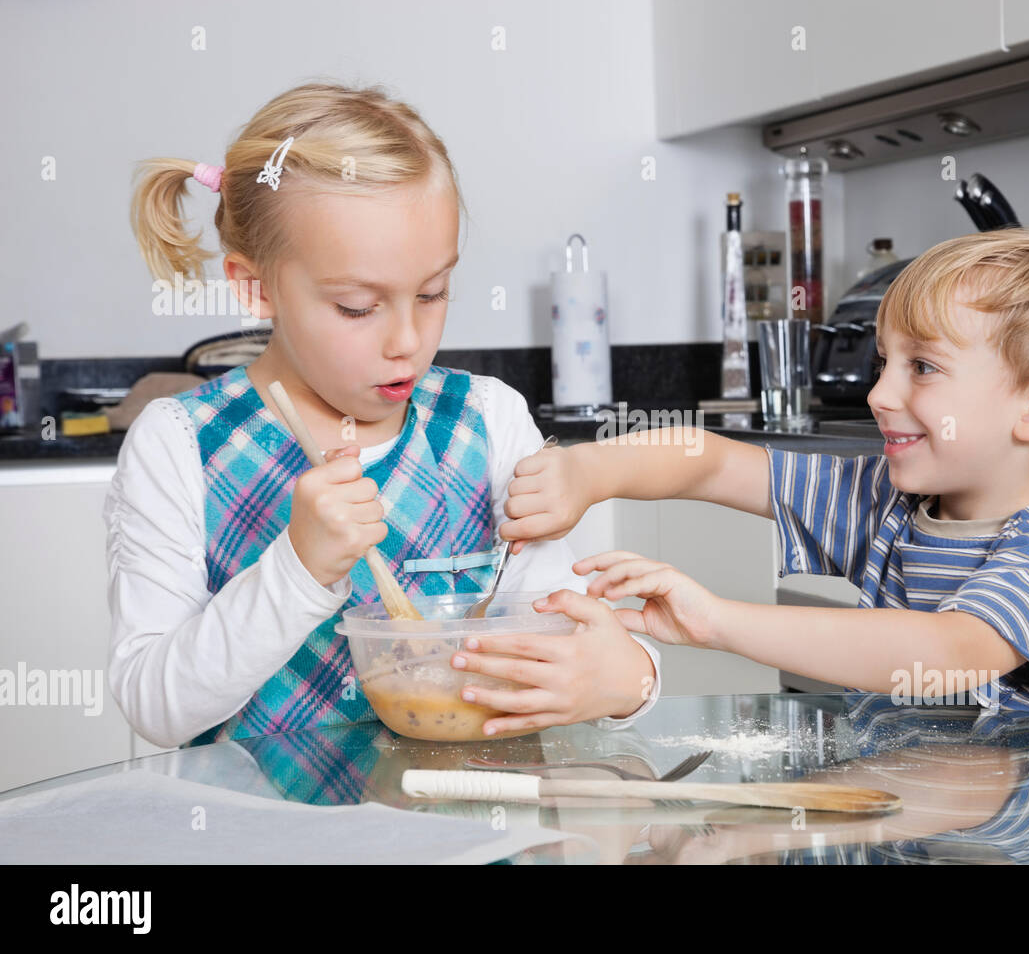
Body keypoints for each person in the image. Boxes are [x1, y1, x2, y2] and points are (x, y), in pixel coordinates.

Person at [109, 82, 659, 750]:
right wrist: (299, 569)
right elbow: (155, 708)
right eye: (357, 306)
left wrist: (632, 677)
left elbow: (563, 631)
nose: (407, 340)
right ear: (255, 285)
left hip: (474, 836)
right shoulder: (181, 446)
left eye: (432, 293)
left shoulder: (484, 423)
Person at [502, 229, 1029, 712]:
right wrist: (588, 470)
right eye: (882, 363)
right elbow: (712, 463)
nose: (879, 394)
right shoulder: (880, 500)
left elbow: (944, 653)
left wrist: (717, 620)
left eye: (923, 367)